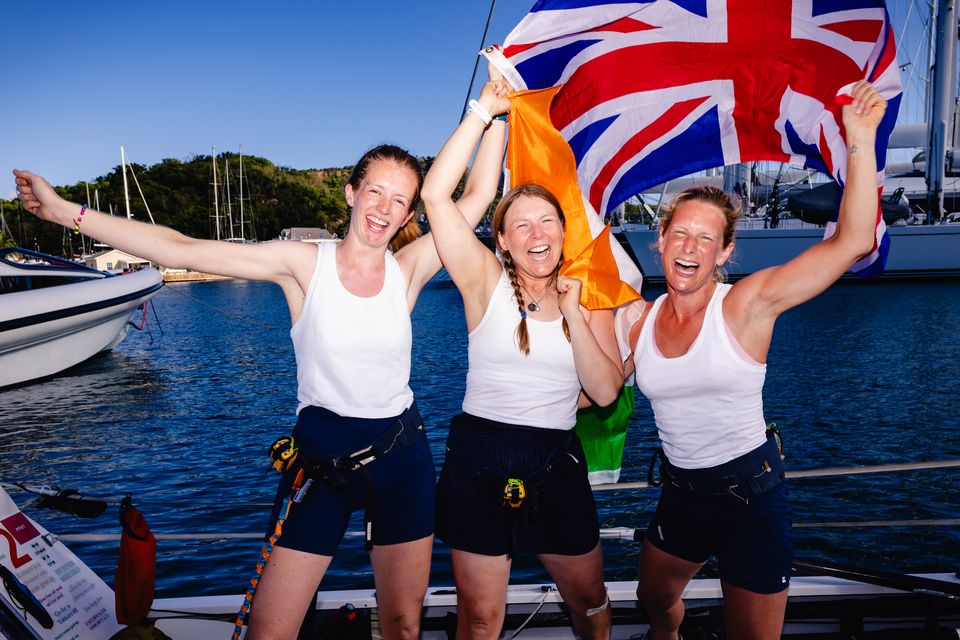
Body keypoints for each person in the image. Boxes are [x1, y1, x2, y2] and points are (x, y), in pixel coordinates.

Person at [13, 87, 506, 640]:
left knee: (403, 624)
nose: (383, 209)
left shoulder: (409, 268)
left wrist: (497, 109)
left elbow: (479, 193)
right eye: (375, 191)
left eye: (399, 200)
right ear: (351, 193)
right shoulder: (302, 263)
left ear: (410, 213)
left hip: (401, 457)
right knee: (270, 631)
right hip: (320, 466)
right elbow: (180, 248)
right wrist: (63, 211)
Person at [623, 81, 887, 640]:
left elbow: (852, 240)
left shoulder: (745, 305)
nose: (690, 247)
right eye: (680, 233)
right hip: (682, 493)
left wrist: (859, 140)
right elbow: (591, 380)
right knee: (653, 598)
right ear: (660, 240)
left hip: (750, 494)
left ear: (724, 252)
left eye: (706, 239)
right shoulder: (639, 320)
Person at [420, 90, 624, 640]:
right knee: (481, 617)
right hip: (479, 458)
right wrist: (485, 111)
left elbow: (605, 393)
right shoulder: (483, 283)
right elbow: (436, 196)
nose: (538, 235)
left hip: (556, 459)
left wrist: (574, 313)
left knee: (590, 600)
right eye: (522, 226)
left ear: (563, 231)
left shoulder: (586, 300)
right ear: (503, 243)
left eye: (547, 222)